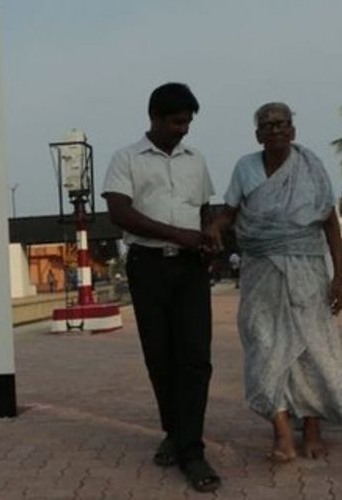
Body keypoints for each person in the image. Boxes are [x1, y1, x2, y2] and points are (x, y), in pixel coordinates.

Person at [205, 102, 342, 462]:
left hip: (308, 272)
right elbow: (230, 214)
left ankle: (313, 430)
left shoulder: (311, 168)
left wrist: (340, 276)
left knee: (309, 349)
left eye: (281, 124)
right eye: (267, 125)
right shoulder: (245, 168)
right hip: (260, 273)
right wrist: (213, 227)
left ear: (293, 130)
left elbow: (329, 222)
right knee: (265, 347)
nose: (275, 130)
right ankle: (282, 433)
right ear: (257, 134)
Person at [103, 82, 221, 493]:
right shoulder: (126, 159)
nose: (183, 129)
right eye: (176, 122)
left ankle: (191, 450)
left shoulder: (196, 160)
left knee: (196, 358)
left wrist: (207, 237)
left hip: (190, 269)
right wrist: (177, 235)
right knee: (161, 356)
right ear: (154, 118)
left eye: (188, 122)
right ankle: (175, 430)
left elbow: (204, 208)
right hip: (147, 266)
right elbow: (120, 213)